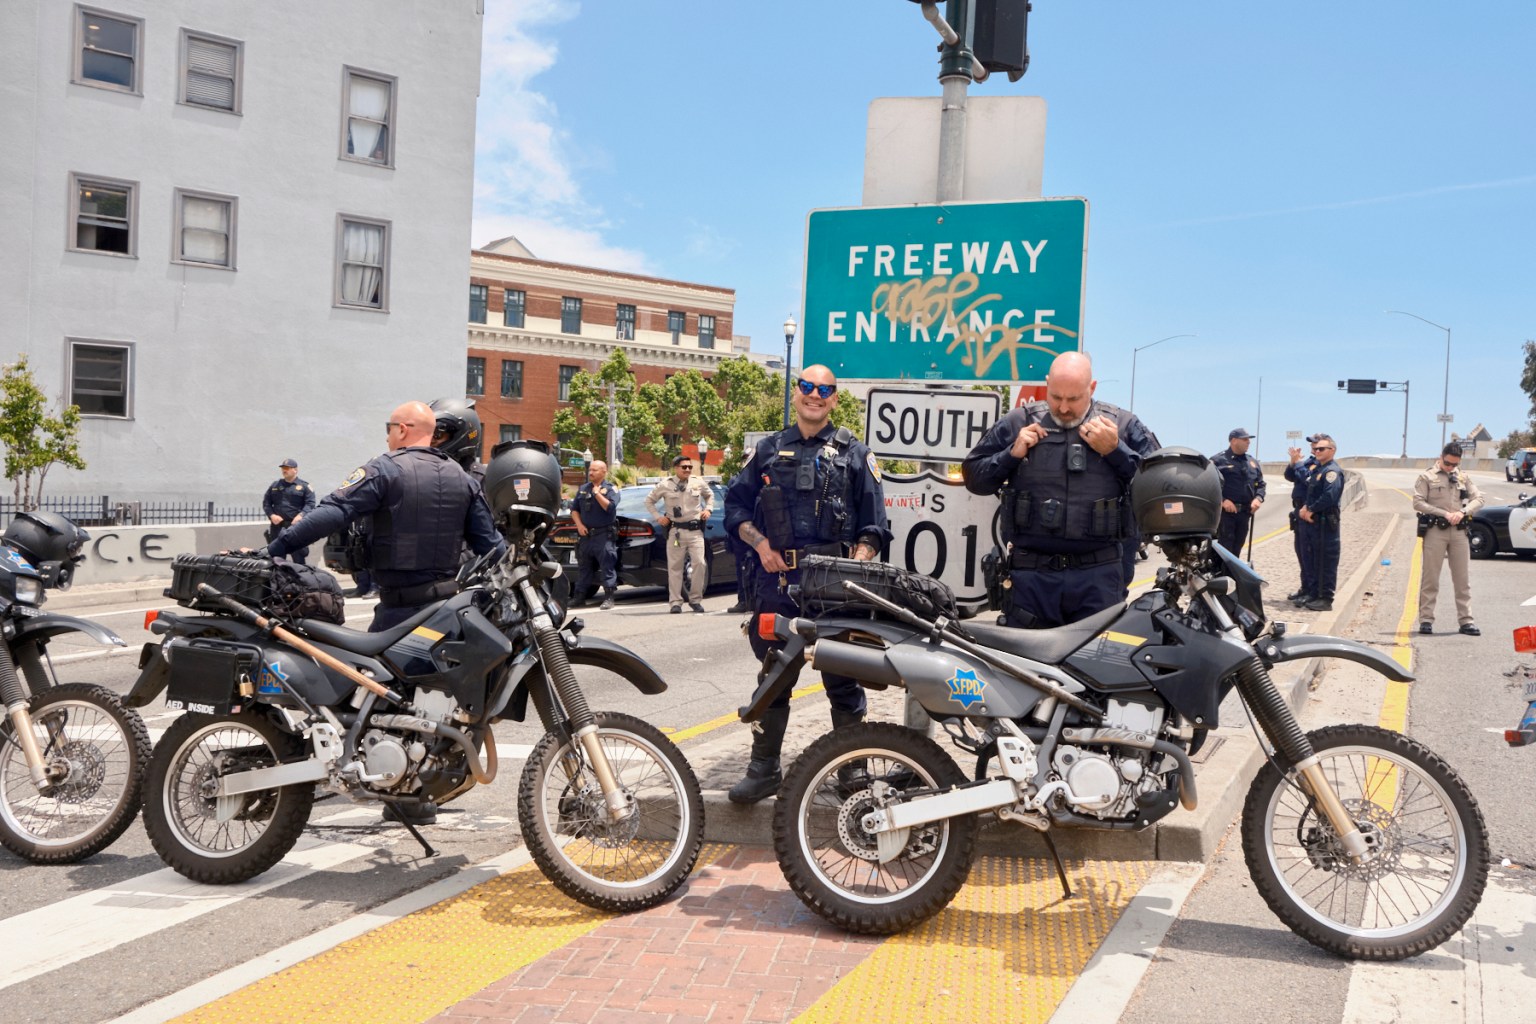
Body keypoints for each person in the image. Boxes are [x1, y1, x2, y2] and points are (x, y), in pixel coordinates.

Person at [723, 364, 889, 804]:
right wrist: (760, 545)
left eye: (825, 389)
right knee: (774, 674)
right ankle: (764, 770)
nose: (815, 395)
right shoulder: (767, 450)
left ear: (835, 398)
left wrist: (855, 567)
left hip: (835, 584)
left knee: (844, 676)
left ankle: (852, 770)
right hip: (778, 580)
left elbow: (875, 527)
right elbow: (734, 510)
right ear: (796, 392)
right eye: (807, 386)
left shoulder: (855, 453)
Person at [962, 351, 1159, 629]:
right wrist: (1011, 454)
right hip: (1030, 581)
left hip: (1098, 579)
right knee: (1022, 656)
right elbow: (974, 479)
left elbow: (1159, 489)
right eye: (1056, 397)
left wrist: (1116, 451)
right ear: (1047, 385)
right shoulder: (1018, 422)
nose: (1063, 408)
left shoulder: (1123, 426)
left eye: (1073, 399)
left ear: (1092, 388)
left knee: (1094, 656)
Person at [267, 401, 504, 633]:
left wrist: (274, 549)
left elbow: (331, 513)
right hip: (448, 611)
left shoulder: (384, 469)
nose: (387, 437)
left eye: (388, 429)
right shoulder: (465, 480)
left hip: (399, 613)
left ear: (402, 430)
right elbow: (493, 547)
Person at [1412, 442, 1483, 636]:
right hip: (1436, 530)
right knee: (1431, 578)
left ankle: (1466, 621)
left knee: (1462, 579)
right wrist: (1443, 513)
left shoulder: (1463, 477)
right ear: (1441, 457)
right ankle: (1426, 619)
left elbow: (1479, 499)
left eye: (1454, 464)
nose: (1451, 467)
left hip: (1459, 531)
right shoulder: (1427, 477)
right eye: (1448, 463)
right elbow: (1417, 502)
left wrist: (1462, 512)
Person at [646, 455, 714, 614]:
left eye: (690, 467)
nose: (688, 470)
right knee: (675, 568)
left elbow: (710, 495)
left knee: (699, 564)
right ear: (676, 468)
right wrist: (658, 517)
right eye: (684, 467)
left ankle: (695, 600)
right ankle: (675, 602)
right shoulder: (665, 484)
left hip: (695, 531)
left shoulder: (697, 482)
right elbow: (649, 501)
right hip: (676, 531)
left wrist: (708, 509)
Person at [1296, 433, 1343, 612]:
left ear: (1332, 450)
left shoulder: (1332, 472)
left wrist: (1311, 509)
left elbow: (1329, 496)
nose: (1317, 451)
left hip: (1325, 523)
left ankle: (1325, 598)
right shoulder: (1319, 470)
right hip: (1314, 523)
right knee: (1314, 560)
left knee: (1326, 561)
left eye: (1321, 449)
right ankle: (1315, 594)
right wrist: (1306, 507)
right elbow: (1310, 493)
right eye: (1315, 449)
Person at [571, 460, 620, 610]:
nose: (591, 472)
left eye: (595, 470)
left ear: (604, 472)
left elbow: (610, 507)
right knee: (584, 567)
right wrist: (579, 525)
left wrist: (597, 493)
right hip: (586, 535)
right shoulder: (583, 488)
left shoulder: (611, 489)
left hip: (603, 534)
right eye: (590, 470)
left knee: (607, 566)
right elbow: (575, 510)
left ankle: (609, 597)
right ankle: (579, 597)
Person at [1213, 428, 1266, 558]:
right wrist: (1223, 500)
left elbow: (1260, 484)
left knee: (1237, 549)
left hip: (1244, 513)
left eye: (1249, 439)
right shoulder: (1218, 461)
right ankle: (1222, 570)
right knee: (1225, 549)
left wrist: (1258, 498)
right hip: (1226, 514)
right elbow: (1209, 485)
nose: (1248, 442)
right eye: (1245, 439)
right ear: (1234, 441)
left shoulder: (1252, 462)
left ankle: (1231, 571)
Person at [1283, 439, 1319, 604]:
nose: (1314, 447)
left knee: (1309, 555)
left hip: (1309, 513)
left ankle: (1312, 591)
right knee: (1301, 553)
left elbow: (1308, 480)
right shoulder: (1308, 462)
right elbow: (1290, 476)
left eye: (1317, 444)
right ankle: (1305, 588)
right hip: (1298, 512)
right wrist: (1293, 462)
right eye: (1313, 444)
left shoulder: (1321, 465)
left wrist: (1298, 464)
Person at [263, 459, 317, 565]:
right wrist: (272, 515)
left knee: (298, 558)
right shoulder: (275, 486)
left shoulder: (305, 486)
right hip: (278, 527)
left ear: (295, 470)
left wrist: (301, 515)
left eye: (287, 468)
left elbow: (310, 504)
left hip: (296, 527)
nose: (284, 470)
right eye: (283, 468)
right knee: (277, 558)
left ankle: (299, 576)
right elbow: (266, 503)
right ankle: (279, 576)